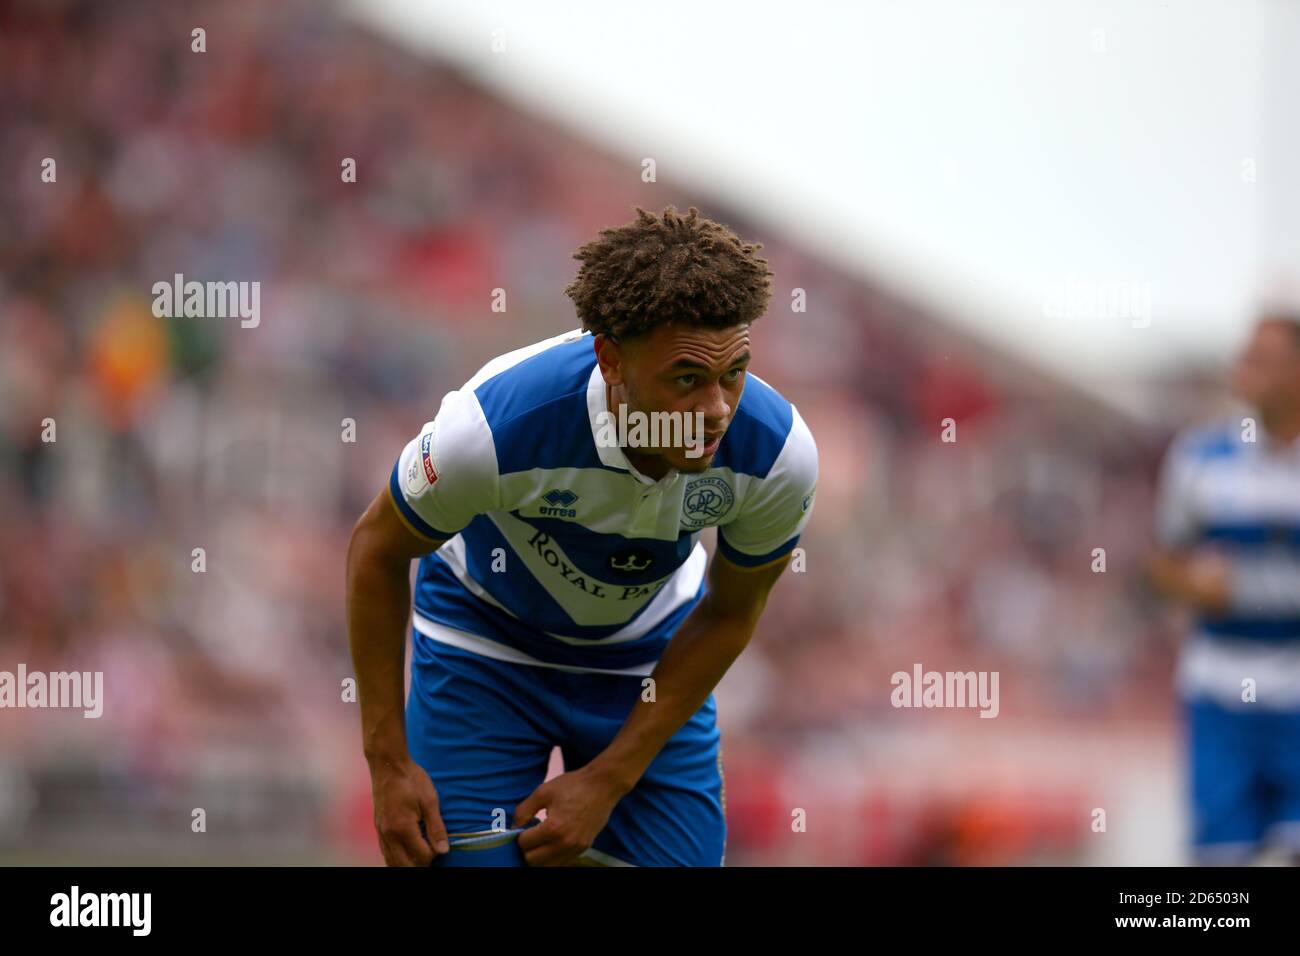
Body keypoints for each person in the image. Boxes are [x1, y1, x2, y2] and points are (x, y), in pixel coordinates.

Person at [346, 206, 818, 866]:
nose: (715, 410)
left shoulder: (777, 454)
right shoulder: (491, 430)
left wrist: (608, 779)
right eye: (686, 379)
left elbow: (731, 612)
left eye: (733, 373)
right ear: (611, 359)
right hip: (485, 646)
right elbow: (376, 549)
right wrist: (387, 761)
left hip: (643, 662)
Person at [1149, 314, 1300, 863]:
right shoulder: (1201, 458)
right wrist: (1191, 579)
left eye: (1265, 357)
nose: (1246, 367)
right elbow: (1162, 562)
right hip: (1219, 688)